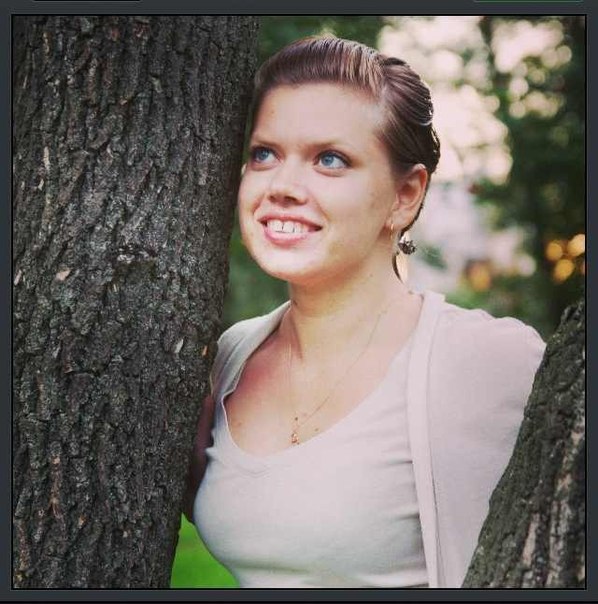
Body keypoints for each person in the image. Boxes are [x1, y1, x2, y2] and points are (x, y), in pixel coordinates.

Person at [182, 36, 545, 589]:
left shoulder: (487, 359)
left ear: (405, 195)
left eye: (330, 160)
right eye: (264, 154)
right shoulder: (231, 357)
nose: (282, 186)